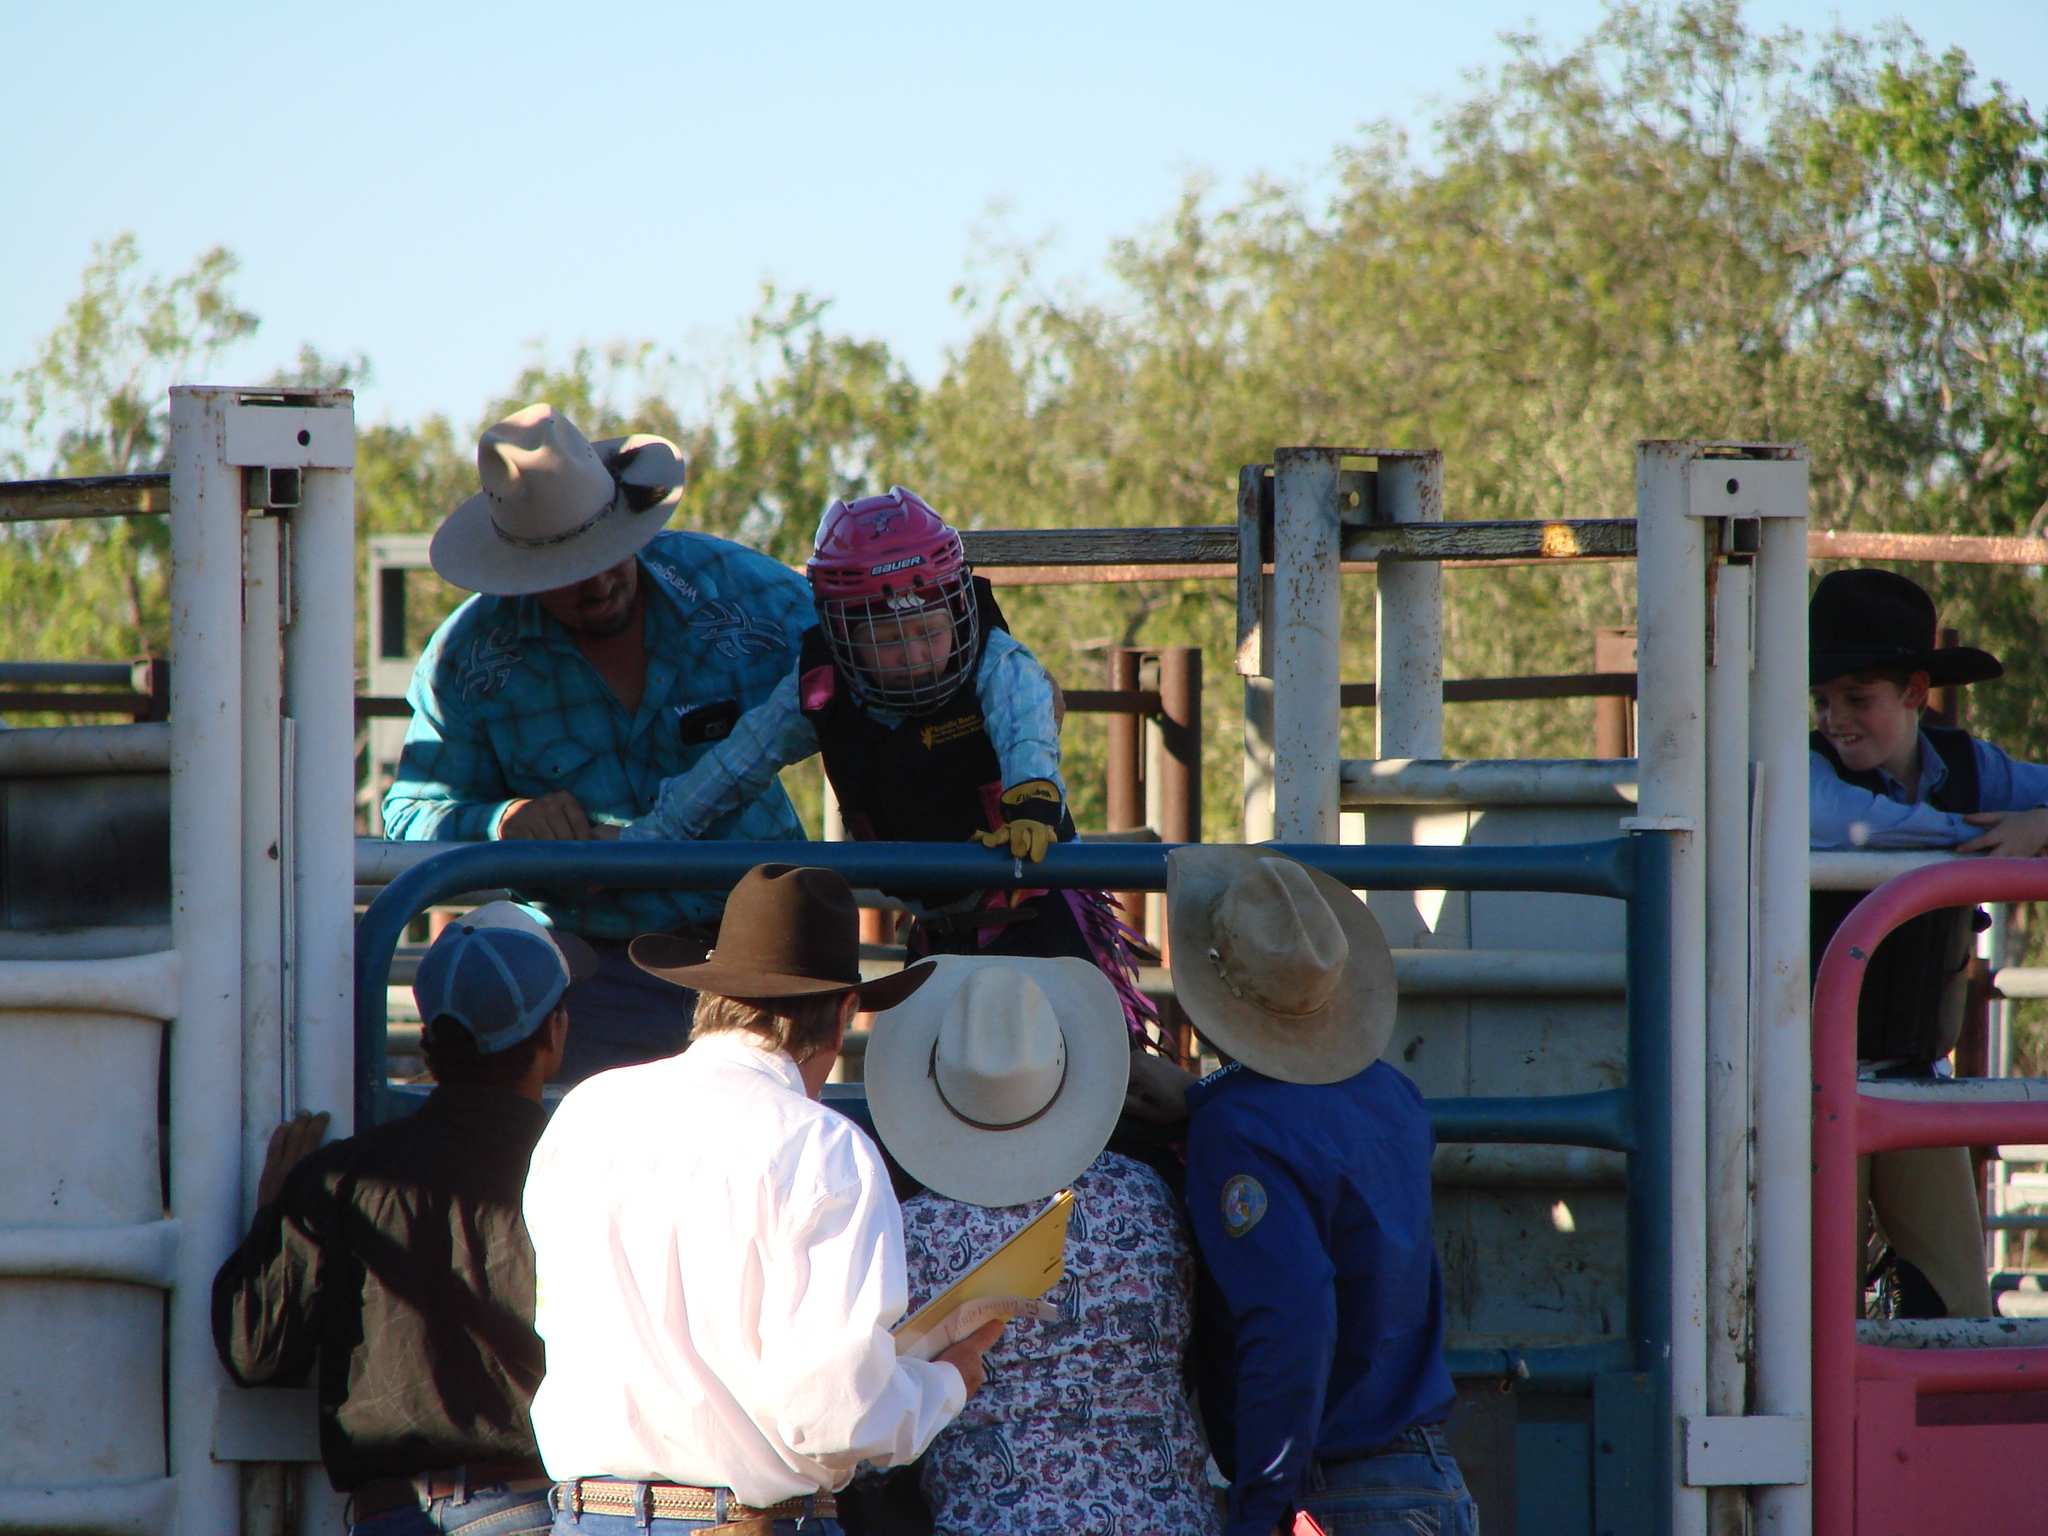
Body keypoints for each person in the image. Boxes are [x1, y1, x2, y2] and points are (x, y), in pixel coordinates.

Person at [524, 864, 1003, 1535]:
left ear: (711, 995)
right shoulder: (824, 1147)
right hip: (747, 1519)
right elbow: (836, 1417)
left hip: (586, 1514)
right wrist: (943, 1381)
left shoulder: (585, 1111)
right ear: (841, 1015)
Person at [620, 485, 1158, 1043]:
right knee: (940, 1077)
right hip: (937, 925)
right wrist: (650, 840)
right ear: (843, 633)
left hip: (1038, 910)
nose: (917, 654)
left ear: (957, 608)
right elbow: (733, 766)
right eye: (887, 641)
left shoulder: (999, 665)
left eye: (928, 631)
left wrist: (1033, 802)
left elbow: (1028, 733)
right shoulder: (823, 689)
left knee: (1089, 1063)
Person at [382, 403, 818, 1081]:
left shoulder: (736, 592)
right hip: (591, 977)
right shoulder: (468, 662)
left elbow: (868, 664)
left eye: (610, 550)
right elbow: (409, 817)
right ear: (517, 569)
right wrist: (504, 820)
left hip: (756, 954)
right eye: (567, 567)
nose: (600, 579)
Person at [212, 901, 594, 1535]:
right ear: (553, 1036)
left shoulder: (339, 1180)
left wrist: (274, 1212)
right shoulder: (590, 1170)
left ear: (428, 1037)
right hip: (543, 1507)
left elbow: (255, 1352)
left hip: (395, 1513)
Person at [1165, 846, 1476, 1536]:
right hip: (1429, 1475)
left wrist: (1263, 1503)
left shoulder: (1236, 1128)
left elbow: (1293, 1313)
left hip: (1332, 1489)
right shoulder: (1394, 1097)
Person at [863, 953, 1223, 1536]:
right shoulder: (1149, 1196)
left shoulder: (918, 1235)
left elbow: (875, 1430)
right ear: (1063, 1063)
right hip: (1168, 1516)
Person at [1808, 568, 2048, 1318]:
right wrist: (1992, 842)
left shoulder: (1974, 769)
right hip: (1801, 1084)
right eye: (1823, 699)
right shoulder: (1801, 774)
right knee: (1810, 1308)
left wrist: (2040, 827)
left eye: (1858, 698)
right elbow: (1849, 824)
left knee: (1958, 1304)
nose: (1836, 719)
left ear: (1915, 693)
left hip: (1915, 1076)